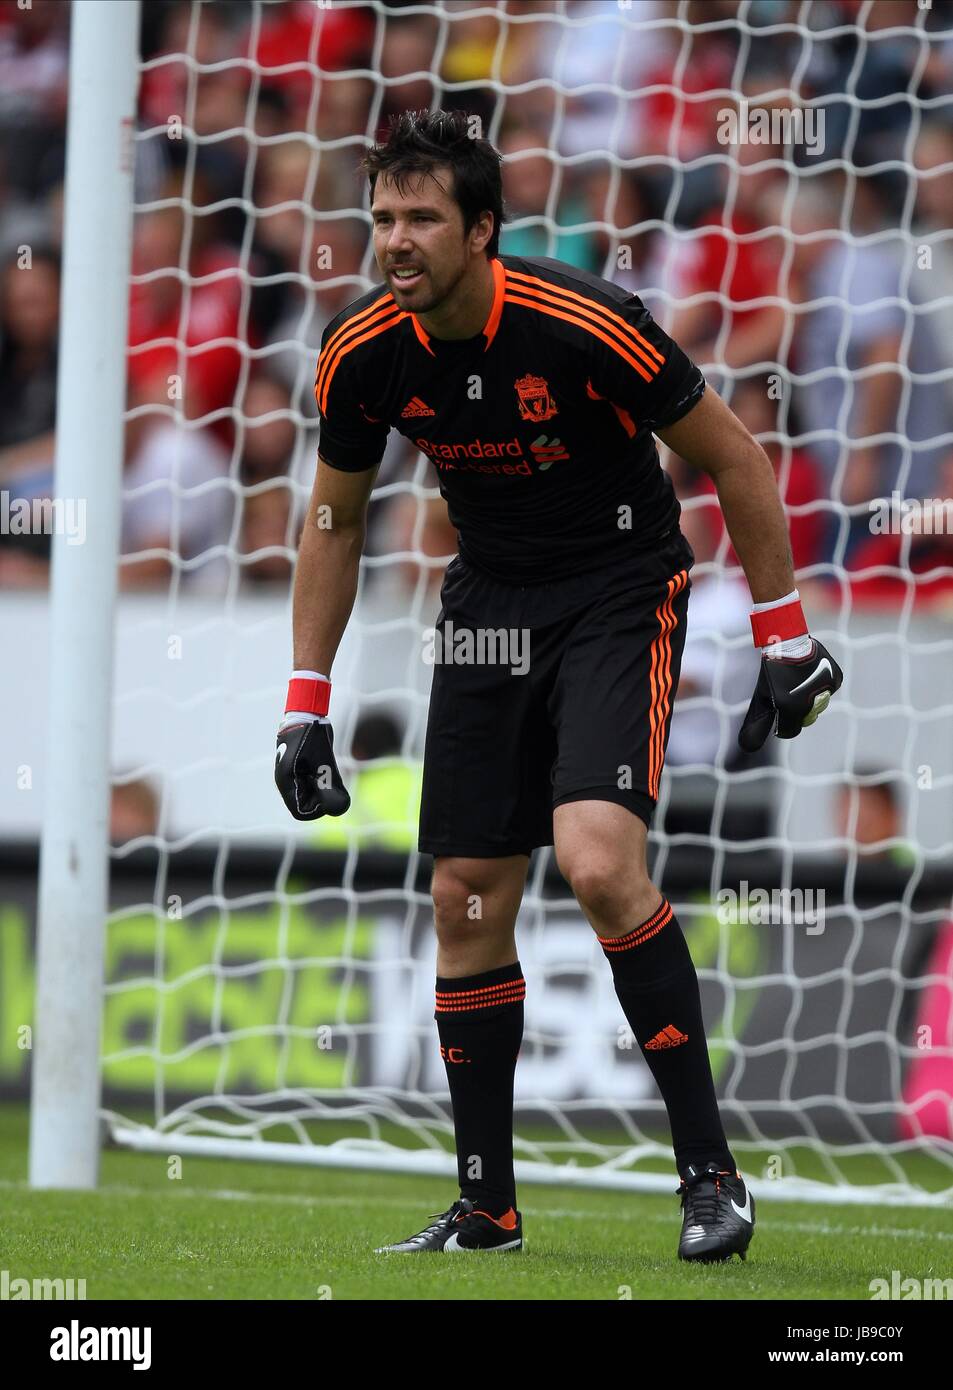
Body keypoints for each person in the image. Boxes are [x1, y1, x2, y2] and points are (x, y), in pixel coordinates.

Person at [274, 110, 843, 1262]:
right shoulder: (361, 348)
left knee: (593, 859)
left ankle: (710, 1180)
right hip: (486, 605)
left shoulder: (584, 321)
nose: (395, 239)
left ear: (483, 229)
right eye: (382, 216)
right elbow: (332, 520)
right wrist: (304, 699)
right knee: (463, 898)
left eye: (423, 217)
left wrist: (783, 635)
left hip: (618, 587)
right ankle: (486, 1208)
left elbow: (733, 458)